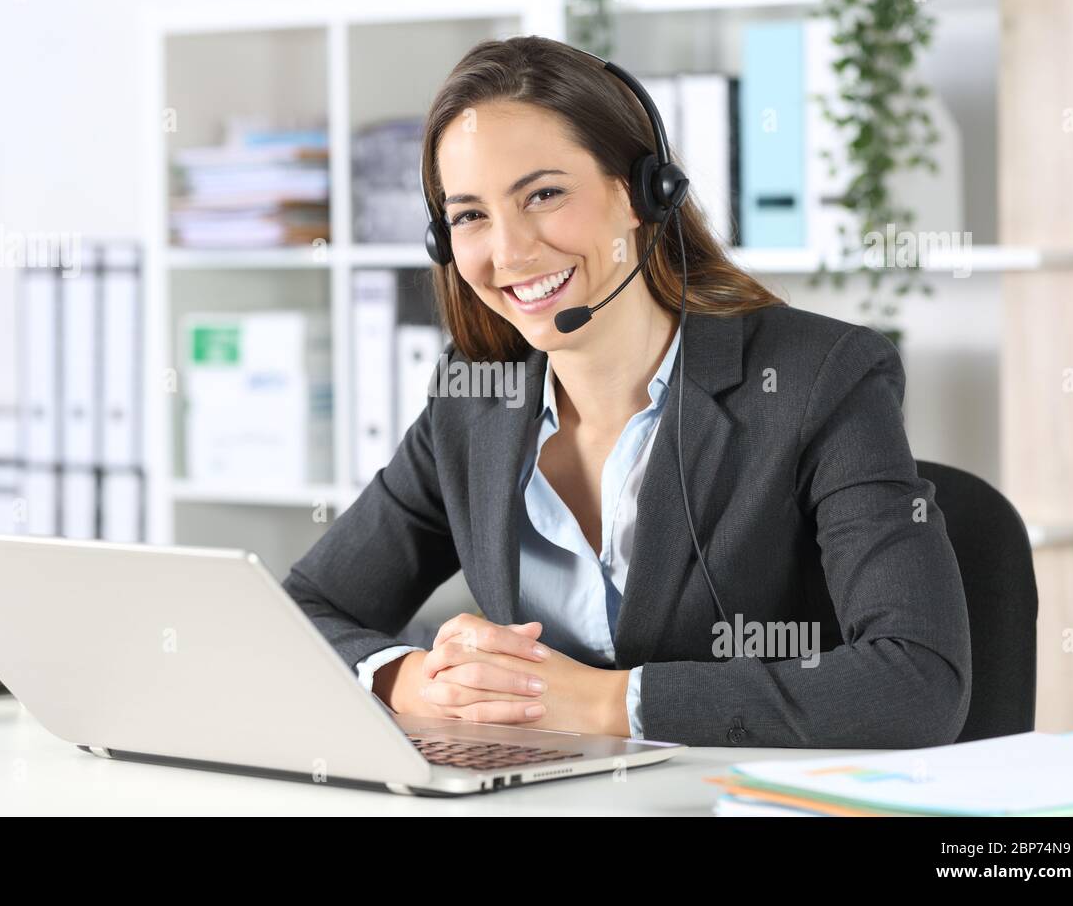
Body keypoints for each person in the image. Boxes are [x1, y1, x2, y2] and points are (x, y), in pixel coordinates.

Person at [284, 36, 971, 748]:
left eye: (543, 194)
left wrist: (610, 704)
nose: (510, 251)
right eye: (470, 216)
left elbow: (917, 681)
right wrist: (412, 679)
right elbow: (302, 610)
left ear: (642, 193)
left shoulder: (819, 377)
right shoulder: (474, 400)